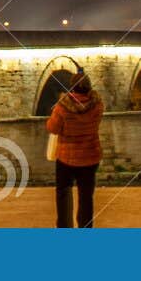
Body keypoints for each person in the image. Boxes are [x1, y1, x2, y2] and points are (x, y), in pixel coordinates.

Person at [45, 70, 103, 228]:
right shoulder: (97, 104)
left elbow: (53, 128)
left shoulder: (62, 107)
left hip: (67, 158)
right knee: (86, 197)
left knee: (63, 193)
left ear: (72, 87)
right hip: (90, 156)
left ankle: (64, 226)